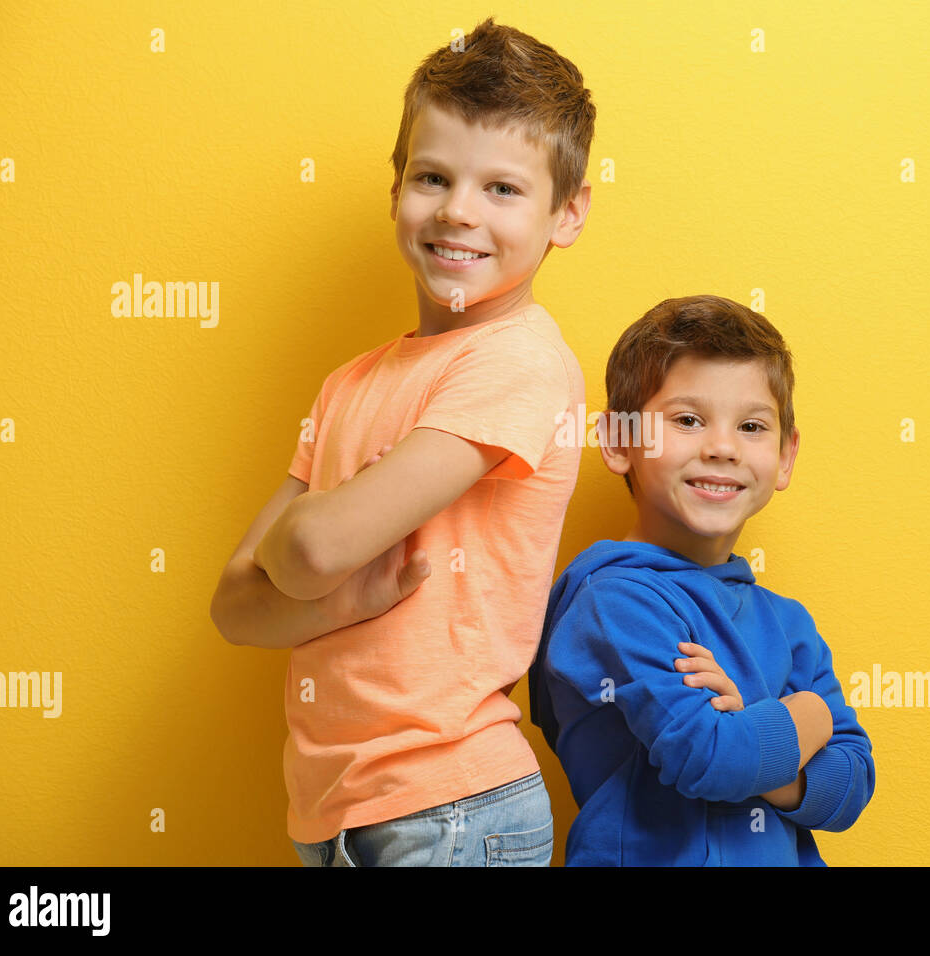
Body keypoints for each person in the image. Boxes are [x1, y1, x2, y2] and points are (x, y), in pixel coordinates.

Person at [209, 17, 595, 866]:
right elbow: (233, 608)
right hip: (334, 808)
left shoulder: (519, 359)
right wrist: (346, 600)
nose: (458, 210)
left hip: (454, 806)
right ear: (396, 189)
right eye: (433, 176)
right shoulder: (349, 384)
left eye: (503, 188)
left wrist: (314, 550)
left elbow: (309, 546)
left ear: (568, 213)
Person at [530, 295, 875, 865]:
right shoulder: (614, 601)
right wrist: (806, 713)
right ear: (618, 441)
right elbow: (710, 759)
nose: (721, 447)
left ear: (786, 456)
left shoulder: (787, 621)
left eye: (751, 426)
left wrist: (757, 739)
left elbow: (851, 785)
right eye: (688, 420)